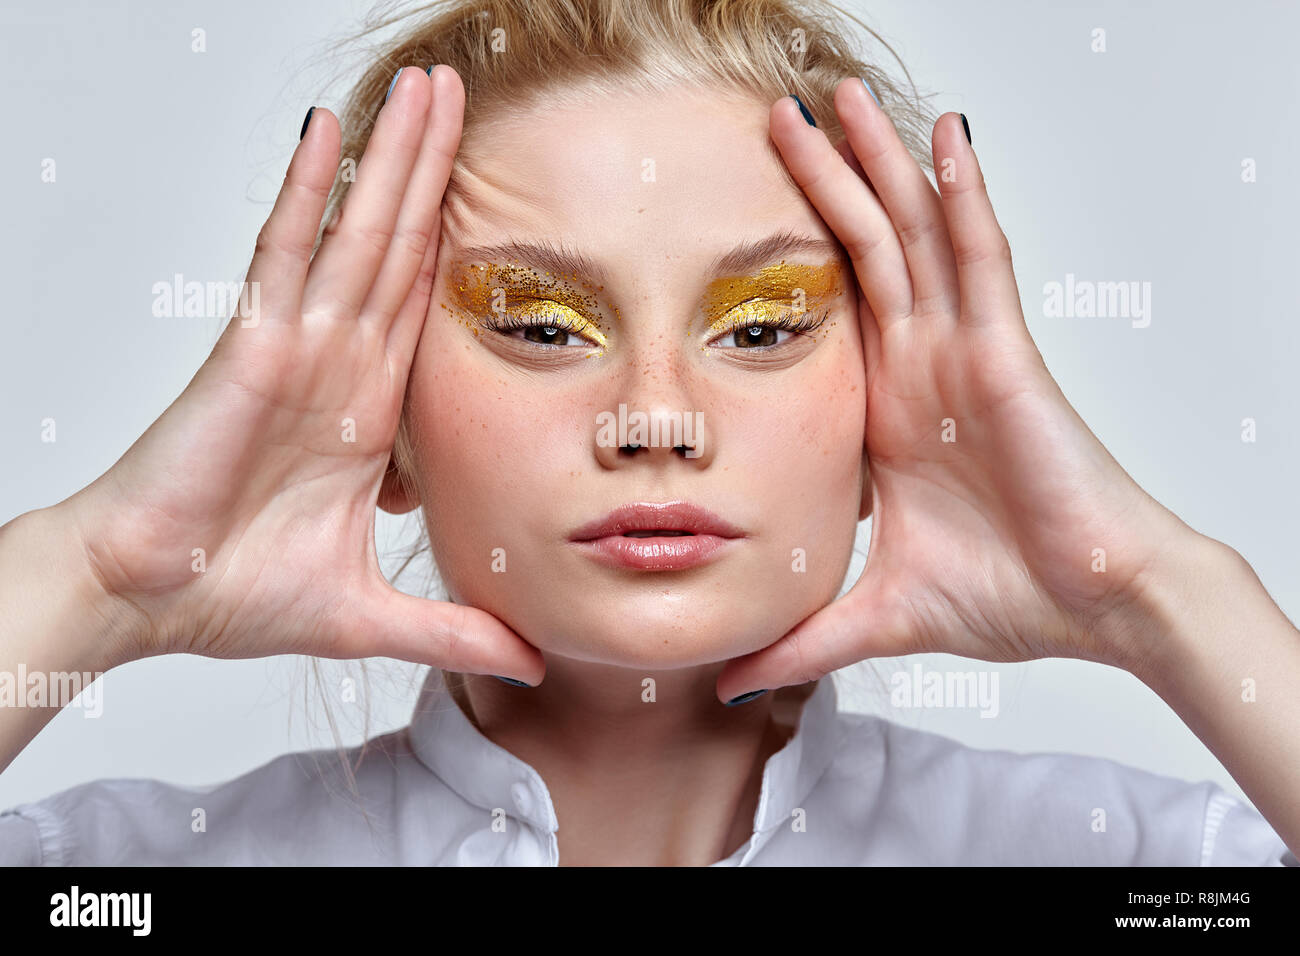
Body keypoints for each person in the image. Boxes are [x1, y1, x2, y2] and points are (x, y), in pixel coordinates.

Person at [1, 0, 1296, 866]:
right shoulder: (126, 876)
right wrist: (96, 577)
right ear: (380, 413)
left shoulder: (1121, 862)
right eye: (546, 326)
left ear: (893, 397)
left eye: (764, 324)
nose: (658, 418)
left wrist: (1157, 592)